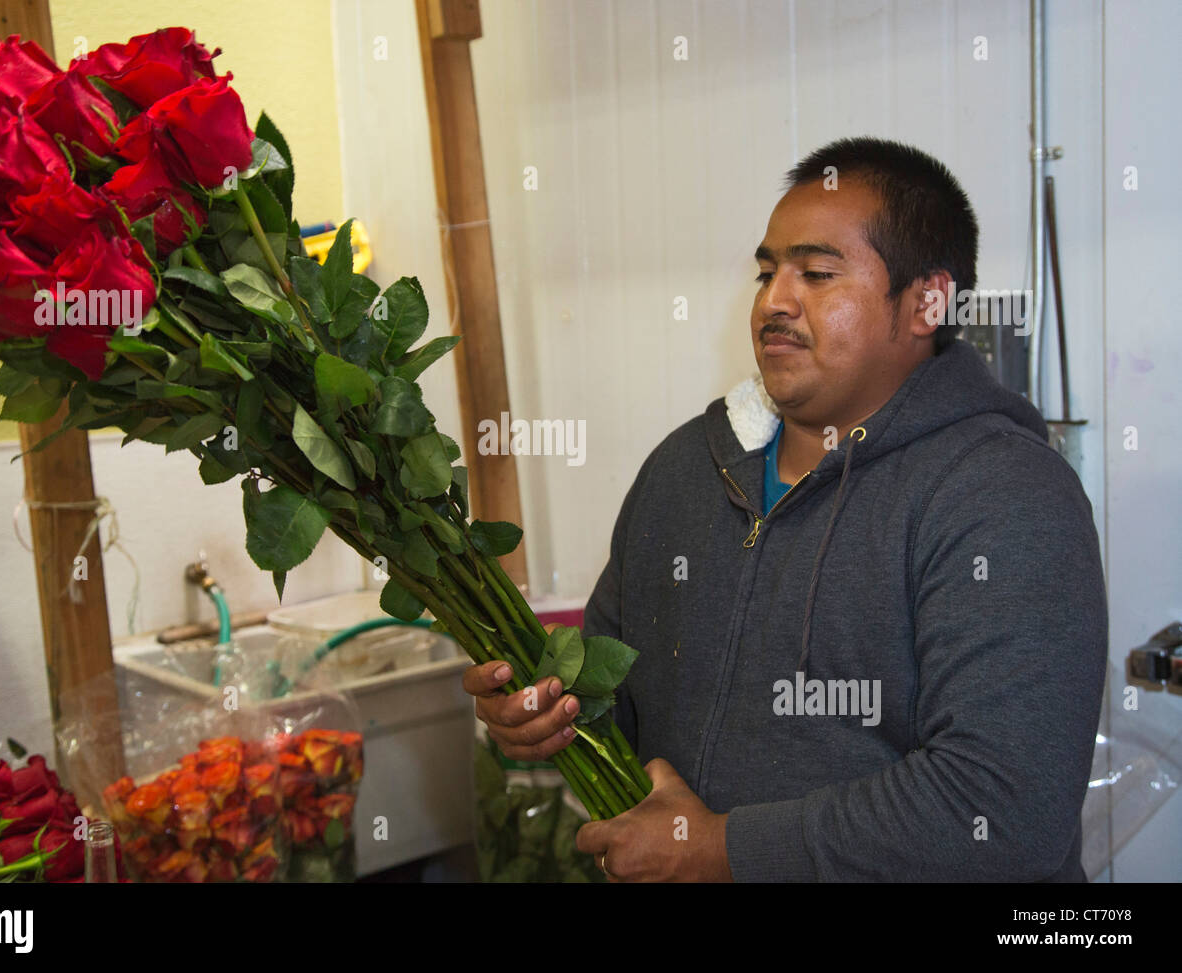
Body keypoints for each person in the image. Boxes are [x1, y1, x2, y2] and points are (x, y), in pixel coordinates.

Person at [463, 137, 1107, 882]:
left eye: (817, 273)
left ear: (928, 301)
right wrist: (544, 719)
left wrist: (721, 849)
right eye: (768, 271)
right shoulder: (683, 470)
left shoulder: (1004, 492)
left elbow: (1003, 808)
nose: (773, 300)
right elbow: (612, 705)